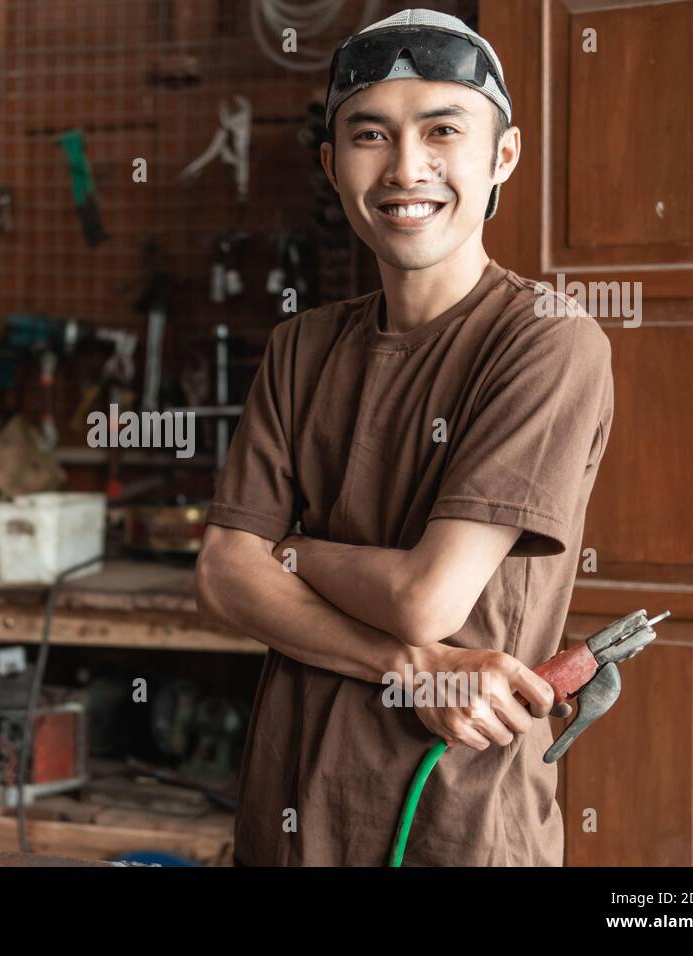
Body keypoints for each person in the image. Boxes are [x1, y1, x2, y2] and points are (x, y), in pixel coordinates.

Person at [195, 8, 614, 866]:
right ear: (332, 165)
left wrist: (292, 553)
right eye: (370, 135)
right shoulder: (300, 347)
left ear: (503, 156)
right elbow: (222, 574)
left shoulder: (548, 340)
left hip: (454, 818)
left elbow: (428, 599)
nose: (405, 167)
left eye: (442, 130)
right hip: (287, 810)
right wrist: (414, 669)